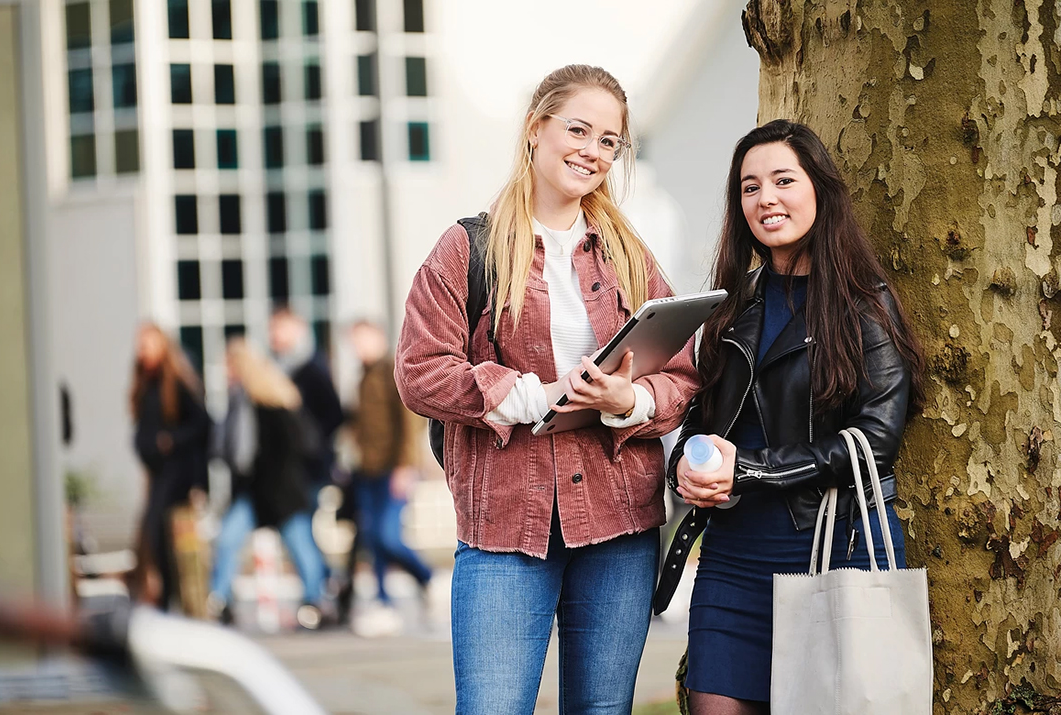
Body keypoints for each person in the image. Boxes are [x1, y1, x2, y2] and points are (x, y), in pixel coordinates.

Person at [395, 64, 701, 713]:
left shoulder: (627, 253)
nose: (592, 150)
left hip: (620, 528)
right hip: (504, 530)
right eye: (578, 129)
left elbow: (682, 374)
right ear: (536, 130)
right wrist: (539, 394)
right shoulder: (465, 249)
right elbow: (419, 370)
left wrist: (631, 402)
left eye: (609, 140)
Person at [668, 119, 926, 715]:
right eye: (749, 187)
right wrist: (686, 464)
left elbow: (876, 439)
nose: (766, 198)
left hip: (838, 545)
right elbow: (699, 421)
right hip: (734, 558)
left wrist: (751, 471)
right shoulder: (730, 307)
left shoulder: (865, 301)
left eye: (783, 180)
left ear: (819, 189)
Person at [206, 338, 328, 630]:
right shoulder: (240, 403)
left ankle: (316, 601)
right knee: (227, 539)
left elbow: (299, 450)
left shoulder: (275, 405)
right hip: (253, 493)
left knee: (301, 547)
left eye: (229, 365)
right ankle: (219, 600)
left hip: (281, 493)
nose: (225, 372)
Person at [345, 320, 432, 627]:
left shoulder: (392, 370)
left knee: (388, 535)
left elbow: (410, 422)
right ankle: (383, 601)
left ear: (378, 338)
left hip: (393, 469)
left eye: (361, 340)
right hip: (366, 470)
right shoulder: (363, 375)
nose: (357, 348)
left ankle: (427, 577)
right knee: (372, 539)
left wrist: (405, 467)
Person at [129, 323, 210, 611]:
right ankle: (161, 602)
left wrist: (170, 441)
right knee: (154, 538)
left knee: (174, 543)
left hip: (178, 476)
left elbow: (201, 424)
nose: (143, 351)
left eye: (148, 345)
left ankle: (182, 604)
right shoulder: (145, 383)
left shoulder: (175, 382)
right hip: (158, 474)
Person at [268, 306, 346, 495]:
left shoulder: (312, 368)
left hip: (309, 465)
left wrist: (311, 443)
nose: (274, 335)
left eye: (280, 328)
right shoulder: (278, 369)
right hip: (289, 465)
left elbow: (334, 414)